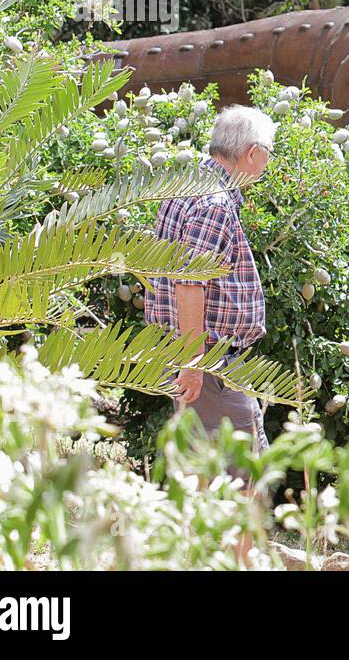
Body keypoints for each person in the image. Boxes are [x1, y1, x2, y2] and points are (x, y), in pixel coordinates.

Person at [144, 105, 275, 551]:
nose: (267, 167)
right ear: (252, 154)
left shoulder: (182, 187)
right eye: (268, 157)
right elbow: (189, 283)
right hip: (211, 362)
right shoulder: (215, 203)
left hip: (192, 356)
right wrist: (194, 362)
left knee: (199, 472)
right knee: (247, 473)